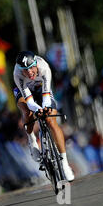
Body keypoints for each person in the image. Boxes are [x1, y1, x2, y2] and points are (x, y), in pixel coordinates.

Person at [13, 50, 74, 182]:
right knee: (27, 111)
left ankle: (64, 163)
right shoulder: (17, 74)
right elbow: (29, 101)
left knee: (51, 120)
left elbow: (46, 95)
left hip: (42, 89)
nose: (29, 72)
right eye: (25, 70)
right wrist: (36, 109)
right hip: (25, 92)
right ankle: (31, 139)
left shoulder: (44, 67)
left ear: (36, 64)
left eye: (31, 68)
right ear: (20, 69)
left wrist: (44, 109)